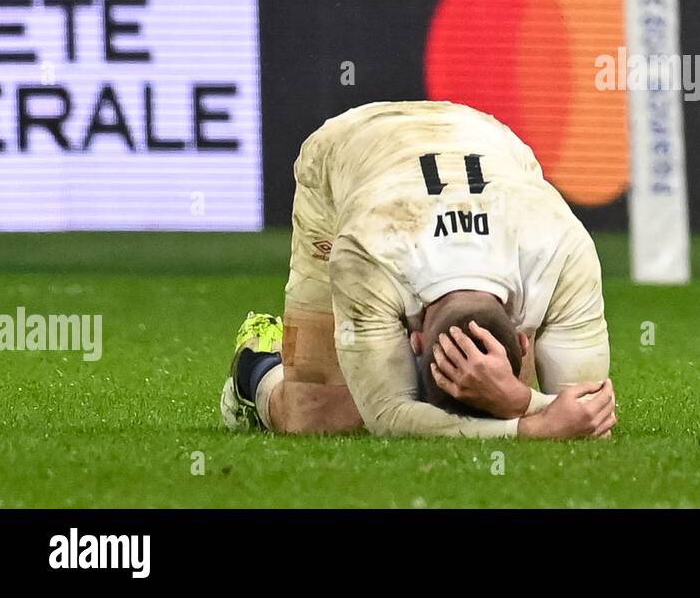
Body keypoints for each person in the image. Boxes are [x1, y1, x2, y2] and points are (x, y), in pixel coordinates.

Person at [220, 101, 617, 440]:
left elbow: (592, 414)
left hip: (487, 137)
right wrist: (527, 421)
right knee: (319, 417)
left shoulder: (563, 247)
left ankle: (445, 383)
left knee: (493, 403)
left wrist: (522, 402)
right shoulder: (365, 250)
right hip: (347, 149)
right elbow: (386, 415)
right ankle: (254, 368)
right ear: (413, 340)